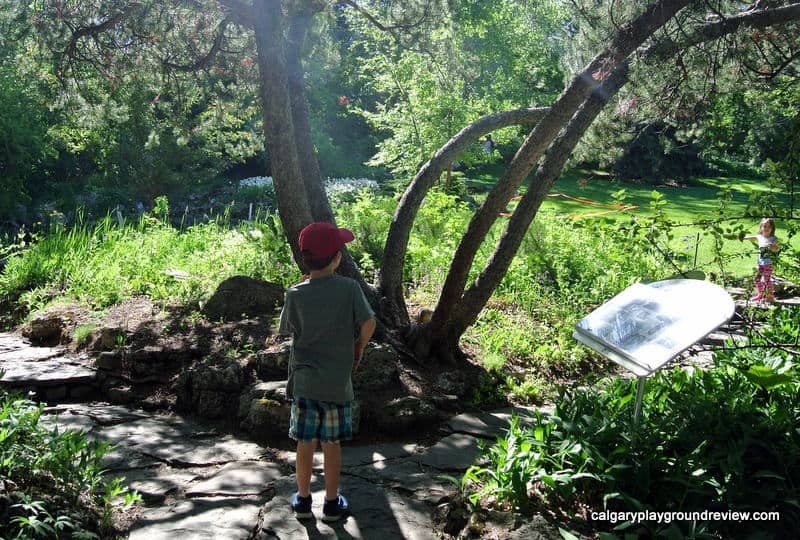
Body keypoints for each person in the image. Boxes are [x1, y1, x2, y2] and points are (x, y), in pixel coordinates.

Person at [278, 222, 376, 522]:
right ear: (336, 258)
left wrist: (302, 289)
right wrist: (359, 347)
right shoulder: (350, 288)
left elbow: (288, 328)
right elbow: (369, 322)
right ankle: (332, 503)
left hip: (305, 383)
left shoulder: (295, 293)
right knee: (332, 444)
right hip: (336, 384)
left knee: (304, 442)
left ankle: (303, 501)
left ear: (304, 259)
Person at [743, 218, 780, 302]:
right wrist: (741, 237)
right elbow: (749, 237)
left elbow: (777, 249)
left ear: (772, 228)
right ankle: (761, 294)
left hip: (768, 263)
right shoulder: (759, 237)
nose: (766, 228)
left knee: (767, 279)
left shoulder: (774, 239)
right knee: (757, 278)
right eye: (765, 226)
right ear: (761, 227)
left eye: (769, 227)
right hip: (760, 263)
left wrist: (773, 247)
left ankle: (770, 296)